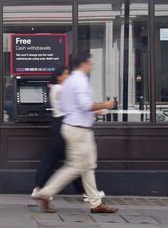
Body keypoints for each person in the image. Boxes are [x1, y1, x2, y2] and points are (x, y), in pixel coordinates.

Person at [34, 53, 118, 214]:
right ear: (84, 64)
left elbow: (66, 106)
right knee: (76, 167)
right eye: (91, 63)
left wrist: (90, 112)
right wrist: (104, 105)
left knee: (87, 166)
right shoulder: (80, 81)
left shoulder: (70, 81)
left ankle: (95, 203)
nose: (92, 66)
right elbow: (85, 105)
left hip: (72, 126)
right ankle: (44, 193)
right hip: (79, 130)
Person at [32, 67, 86, 204]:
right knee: (70, 158)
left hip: (61, 123)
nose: (68, 77)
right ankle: (85, 191)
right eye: (66, 74)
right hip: (62, 123)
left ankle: (85, 191)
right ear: (59, 77)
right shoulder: (59, 89)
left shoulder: (57, 88)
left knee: (66, 158)